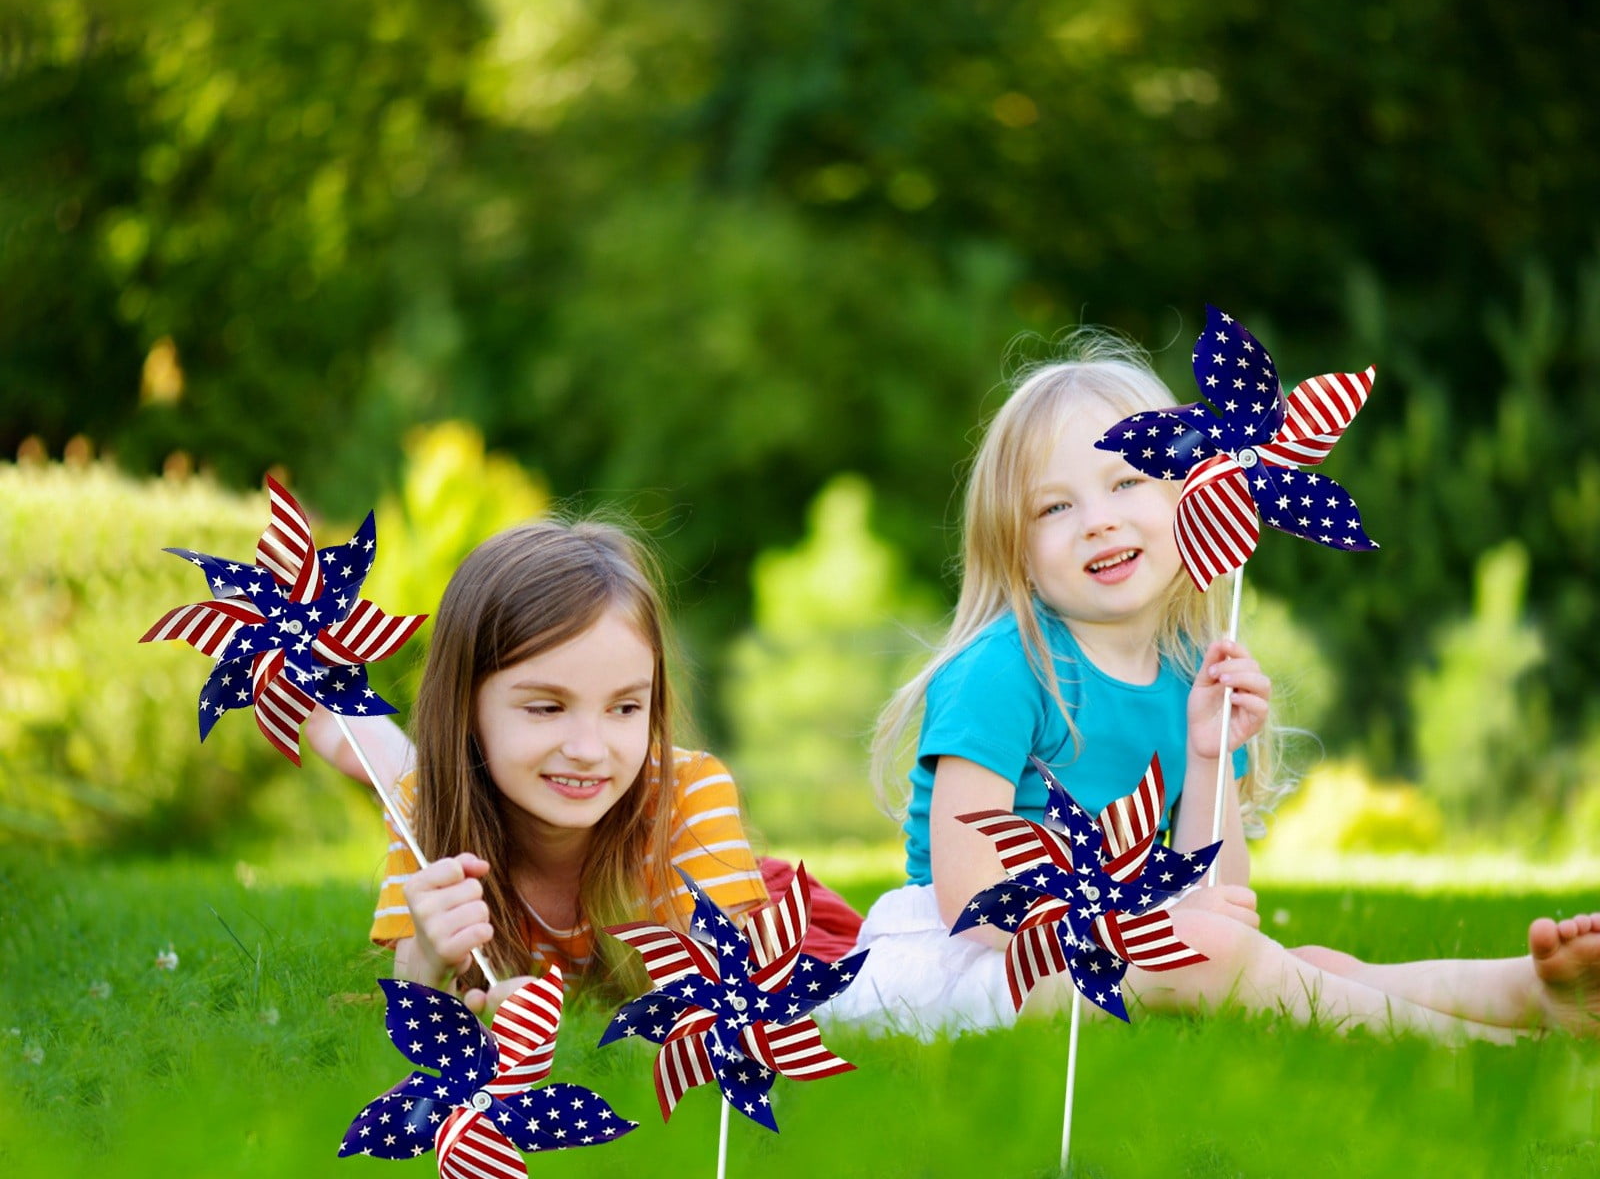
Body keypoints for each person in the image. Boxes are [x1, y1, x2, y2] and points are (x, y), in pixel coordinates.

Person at [825, 335, 1600, 1043]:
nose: (1097, 521)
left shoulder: (1188, 671)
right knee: (1213, 953)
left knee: (1298, 959)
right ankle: (1478, 1049)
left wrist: (1206, 755)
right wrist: (1136, 931)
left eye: (1127, 481)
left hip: (1113, 943)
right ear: (1015, 550)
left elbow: (1217, 894)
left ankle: (1526, 992)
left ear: (1195, 500)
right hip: (964, 964)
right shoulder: (1003, 667)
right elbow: (973, 898)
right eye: (1056, 506)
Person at [307, 519, 859, 1012]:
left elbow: (714, 994)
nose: (589, 749)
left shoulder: (690, 791)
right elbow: (416, 999)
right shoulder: (426, 805)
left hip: (765, 928)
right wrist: (432, 962)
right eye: (547, 707)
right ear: (466, 706)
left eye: (624, 707)